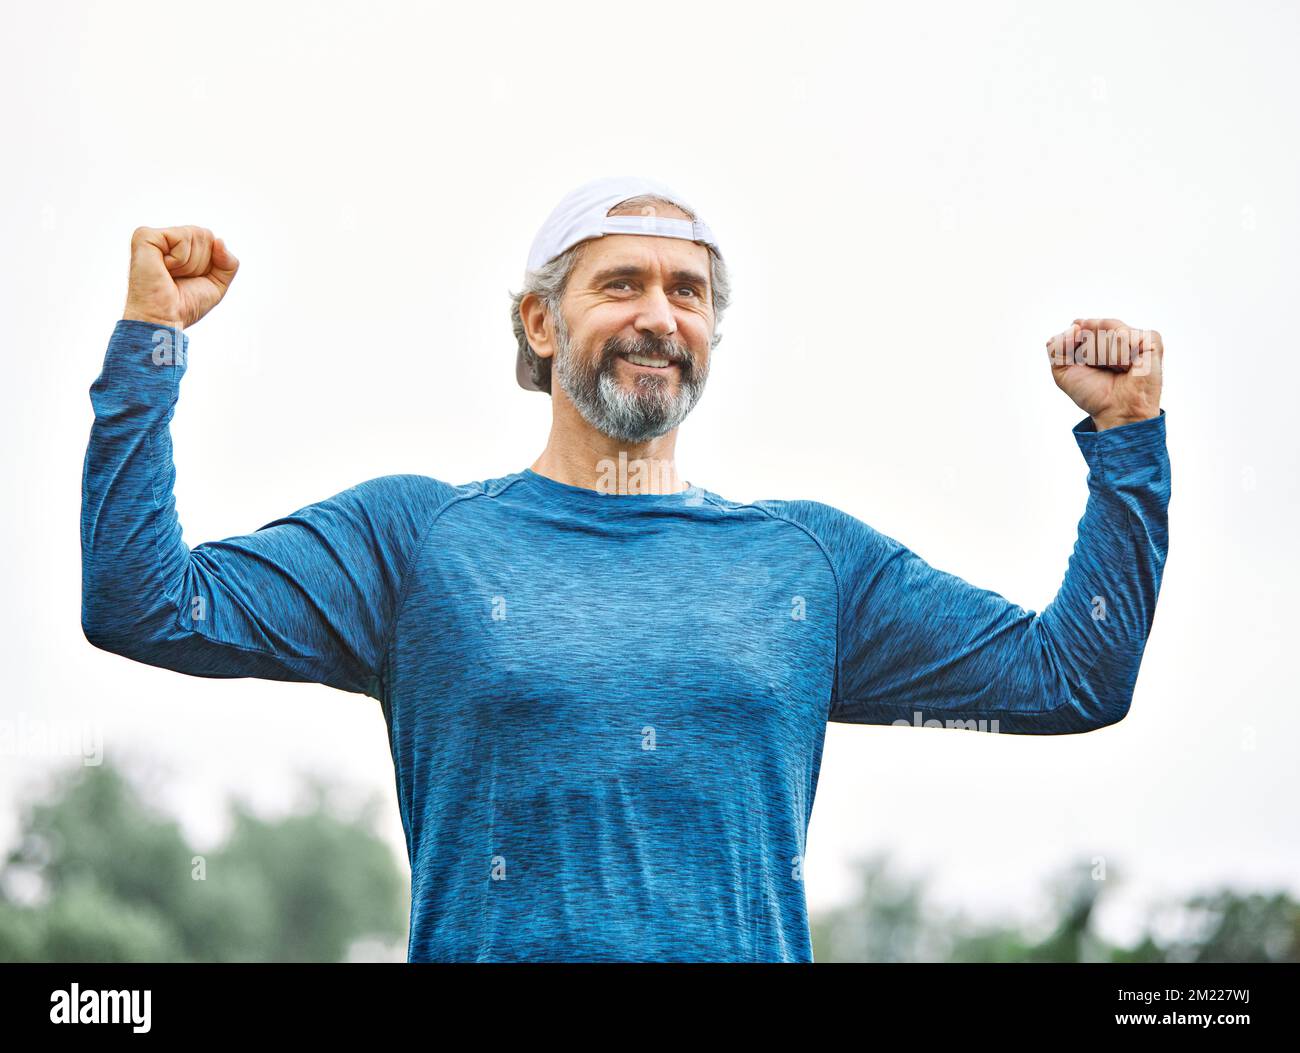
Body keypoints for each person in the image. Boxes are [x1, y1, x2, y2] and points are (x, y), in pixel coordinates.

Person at [80, 175, 1171, 962]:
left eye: (689, 293)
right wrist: (151, 341)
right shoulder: (413, 544)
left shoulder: (807, 564)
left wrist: (1126, 437)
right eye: (622, 284)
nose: (660, 314)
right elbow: (144, 602)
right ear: (539, 324)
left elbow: (1070, 680)